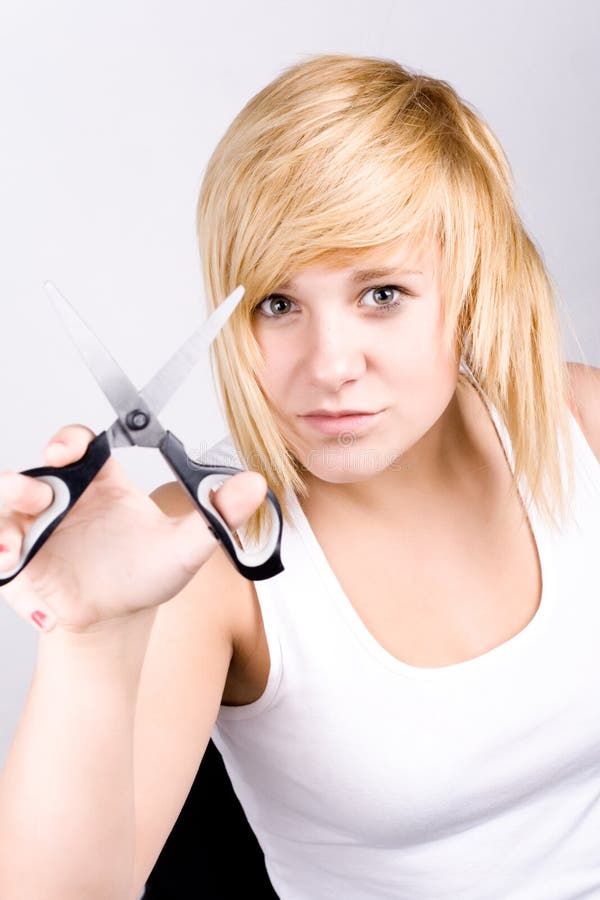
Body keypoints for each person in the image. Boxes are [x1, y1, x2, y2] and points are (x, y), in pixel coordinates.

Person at [0, 52, 599, 900]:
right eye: (277, 305)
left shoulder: (585, 428)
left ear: (466, 293)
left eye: (382, 293)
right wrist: (89, 642)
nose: (329, 365)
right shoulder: (196, 553)